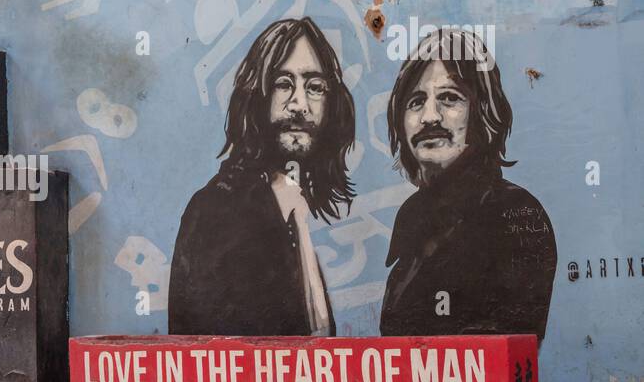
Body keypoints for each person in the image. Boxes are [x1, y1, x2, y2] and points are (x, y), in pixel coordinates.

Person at [169, 17, 356, 336]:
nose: (299, 105)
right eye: (284, 83)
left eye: (314, 87)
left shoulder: (294, 205)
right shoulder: (215, 213)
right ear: (257, 96)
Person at [381, 29, 557, 342]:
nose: (429, 117)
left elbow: (501, 362)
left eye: (450, 98)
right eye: (416, 101)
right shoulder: (411, 217)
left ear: (482, 112)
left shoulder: (515, 213)